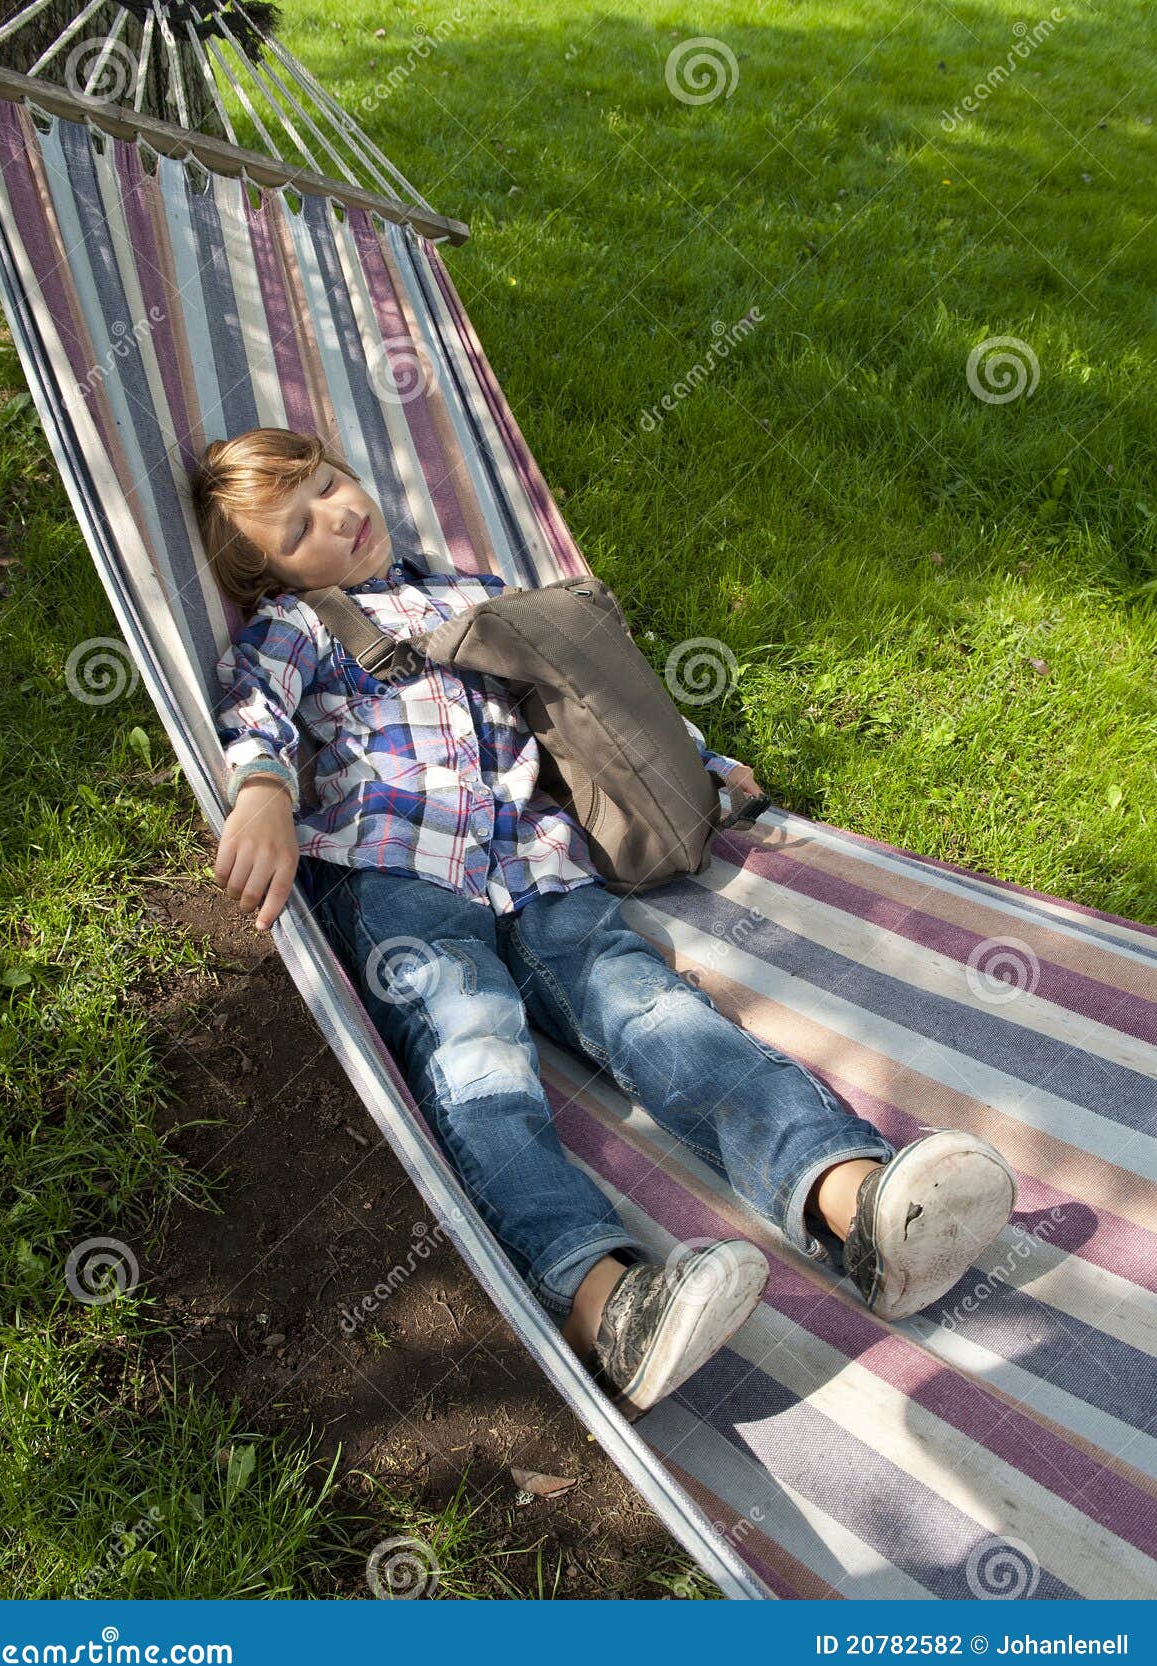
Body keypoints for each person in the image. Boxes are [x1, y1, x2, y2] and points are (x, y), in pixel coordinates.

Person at [191, 427, 1017, 1420]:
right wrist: (264, 793)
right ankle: (604, 1305)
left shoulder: (477, 593)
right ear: (269, 575)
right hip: (396, 878)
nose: (338, 511)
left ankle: (855, 1201)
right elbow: (257, 709)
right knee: (477, 1061)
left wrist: (702, 767)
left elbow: (596, 703)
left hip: (545, 869)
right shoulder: (300, 626)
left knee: (658, 1015)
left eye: (330, 482)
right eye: (299, 526)